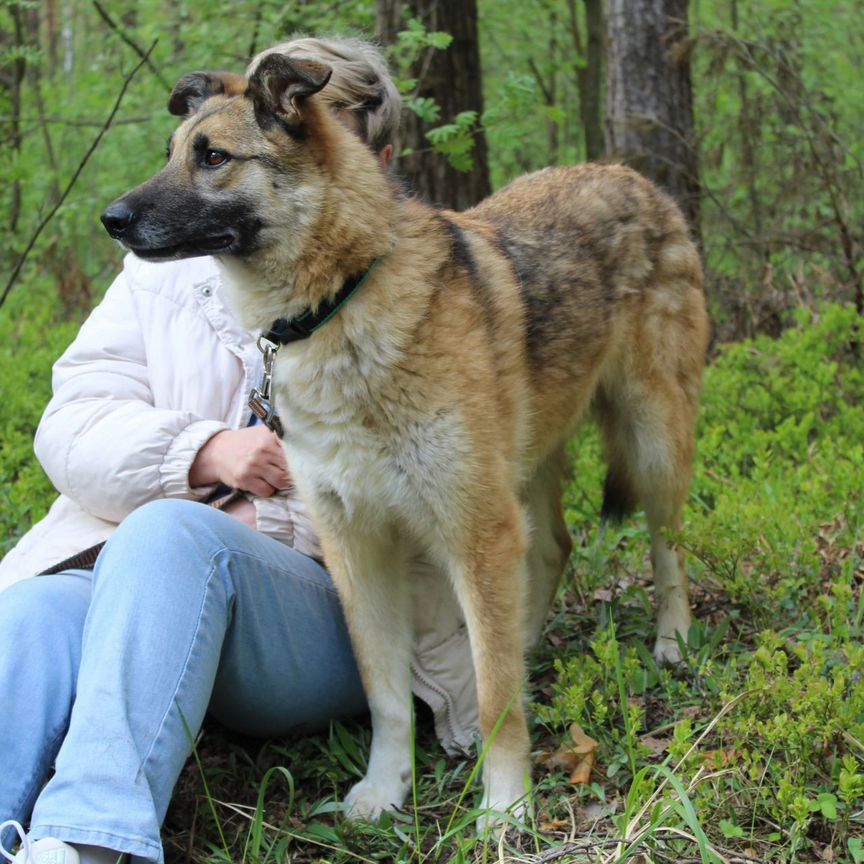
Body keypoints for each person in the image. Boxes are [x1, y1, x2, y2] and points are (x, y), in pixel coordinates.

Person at [0, 35, 571, 864]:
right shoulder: (164, 273)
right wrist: (201, 451)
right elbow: (69, 424)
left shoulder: (432, 303)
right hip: (147, 598)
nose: (313, 140)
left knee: (172, 538)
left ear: (363, 155)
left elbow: (436, 522)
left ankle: (85, 843)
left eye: (324, 127)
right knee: (31, 609)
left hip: (314, 620)